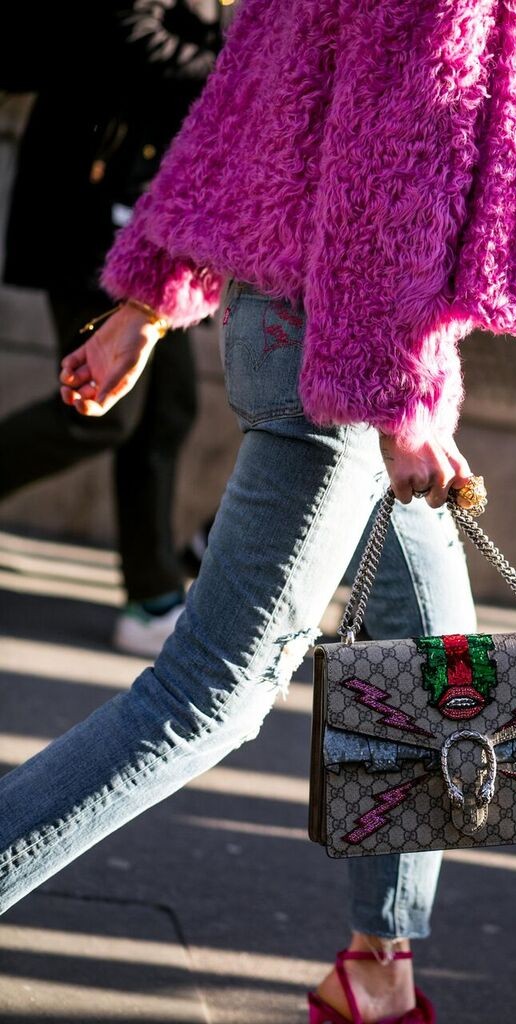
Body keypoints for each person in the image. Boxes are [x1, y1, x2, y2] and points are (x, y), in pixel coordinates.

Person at [0, 1, 516, 1020]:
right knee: (206, 697)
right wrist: (393, 395)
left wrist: (146, 303)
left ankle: (379, 967)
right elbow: (393, 156)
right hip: (351, 345)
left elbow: (252, 109)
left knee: (433, 659)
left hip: (341, 331)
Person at [0, 1, 224, 656]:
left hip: (145, 217)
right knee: (101, 410)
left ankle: (151, 598)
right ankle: (151, 595)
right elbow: (124, 30)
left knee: (164, 410)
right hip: (92, 209)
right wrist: (241, 73)